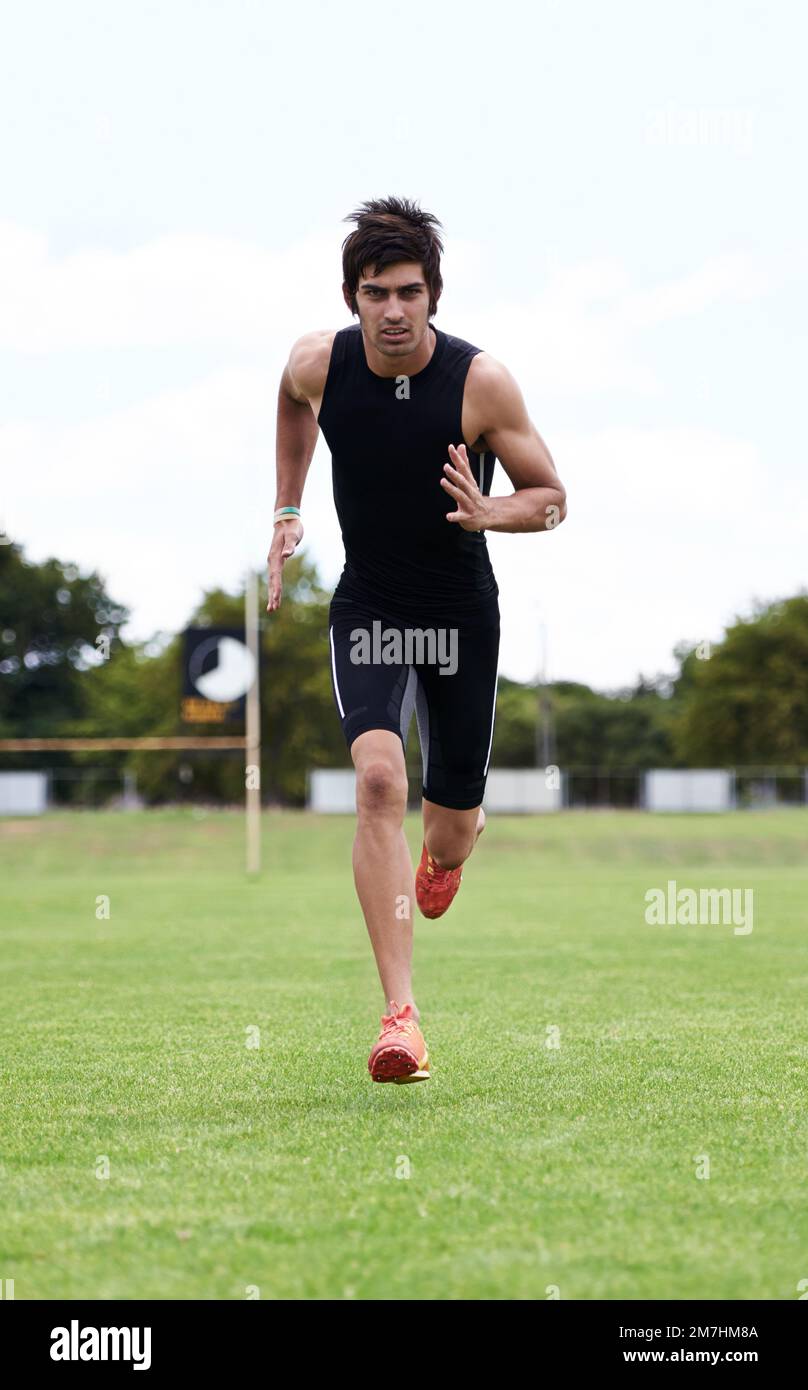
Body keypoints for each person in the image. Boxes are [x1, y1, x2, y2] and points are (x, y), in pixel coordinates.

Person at [267, 196, 567, 1084]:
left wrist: (492, 511)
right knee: (376, 779)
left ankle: (443, 856)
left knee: (453, 825)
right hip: (371, 608)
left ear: (433, 295)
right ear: (353, 298)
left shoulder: (481, 384)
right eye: (374, 294)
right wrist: (287, 506)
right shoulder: (319, 362)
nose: (392, 311)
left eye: (407, 292)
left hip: (460, 618)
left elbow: (551, 496)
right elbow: (290, 405)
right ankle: (401, 1018)